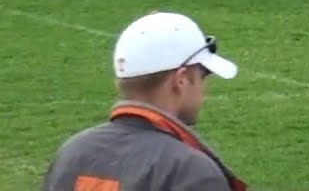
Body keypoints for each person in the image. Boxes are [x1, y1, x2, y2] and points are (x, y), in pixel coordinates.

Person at [39, 10, 245, 191]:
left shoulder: (72, 153)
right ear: (181, 79)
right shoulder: (190, 171)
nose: (204, 89)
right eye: (202, 76)